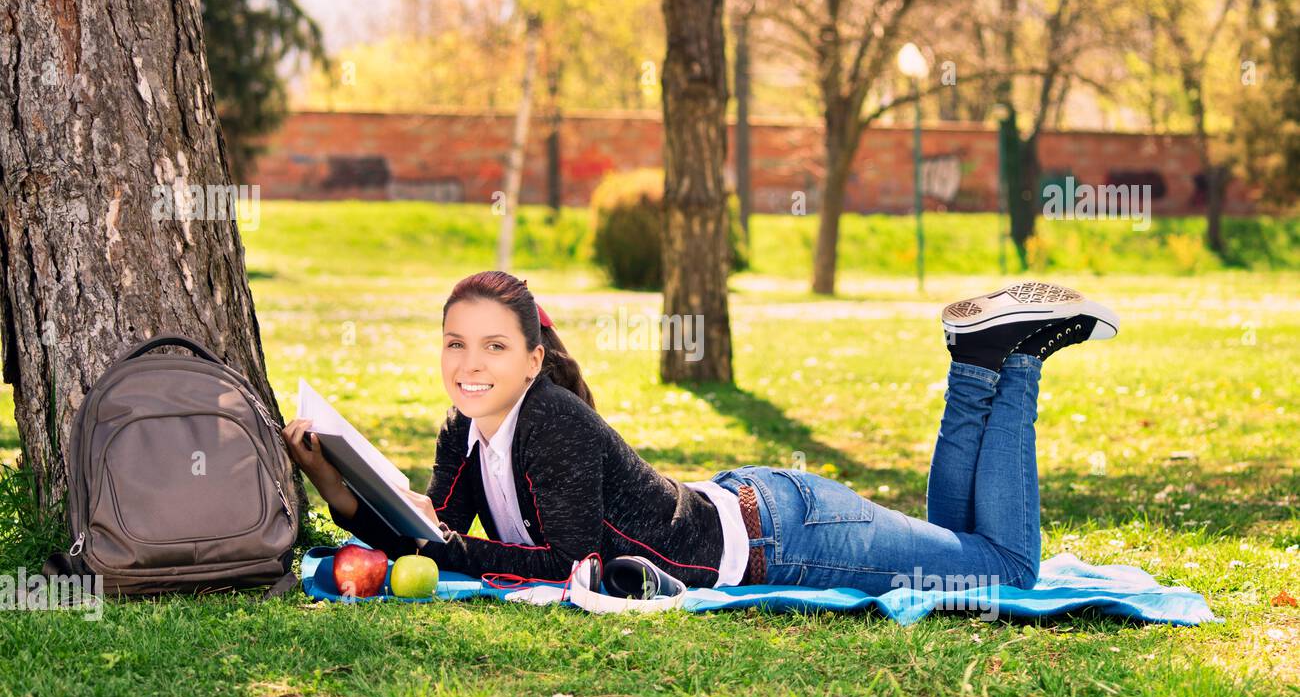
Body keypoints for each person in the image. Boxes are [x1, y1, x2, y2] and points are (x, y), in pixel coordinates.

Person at [282, 272, 1118, 596]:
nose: (470, 364)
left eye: (494, 346)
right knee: (963, 545)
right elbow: (434, 530)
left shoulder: (554, 427)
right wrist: (333, 482)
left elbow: (565, 562)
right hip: (751, 509)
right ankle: (977, 362)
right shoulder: (465, 431)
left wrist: (444, 558)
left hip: (786, 538)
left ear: (533, 358)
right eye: (455, 344)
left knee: (1005, 568)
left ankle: (1012, 360)